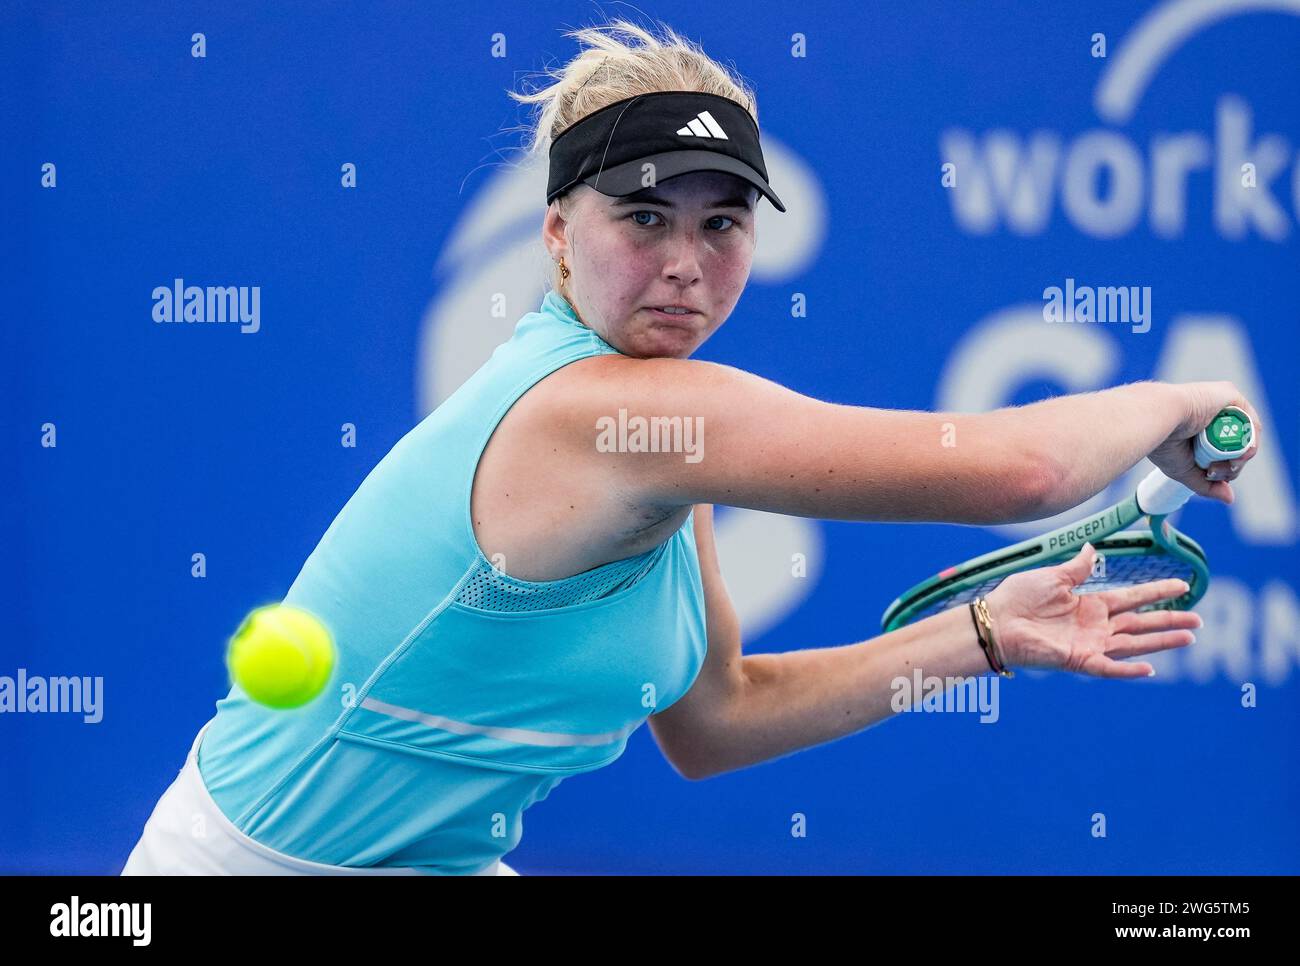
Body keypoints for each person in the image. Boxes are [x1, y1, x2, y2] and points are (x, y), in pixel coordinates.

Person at [121, 18, 1260, 876]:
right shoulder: (596, 415)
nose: (685, 262)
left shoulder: (655, 431)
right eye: (645, 217)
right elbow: (1013, 471)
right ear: (559, 236)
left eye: (722, 223)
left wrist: (980, 637)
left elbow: (717, 721)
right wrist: (1178, 397)